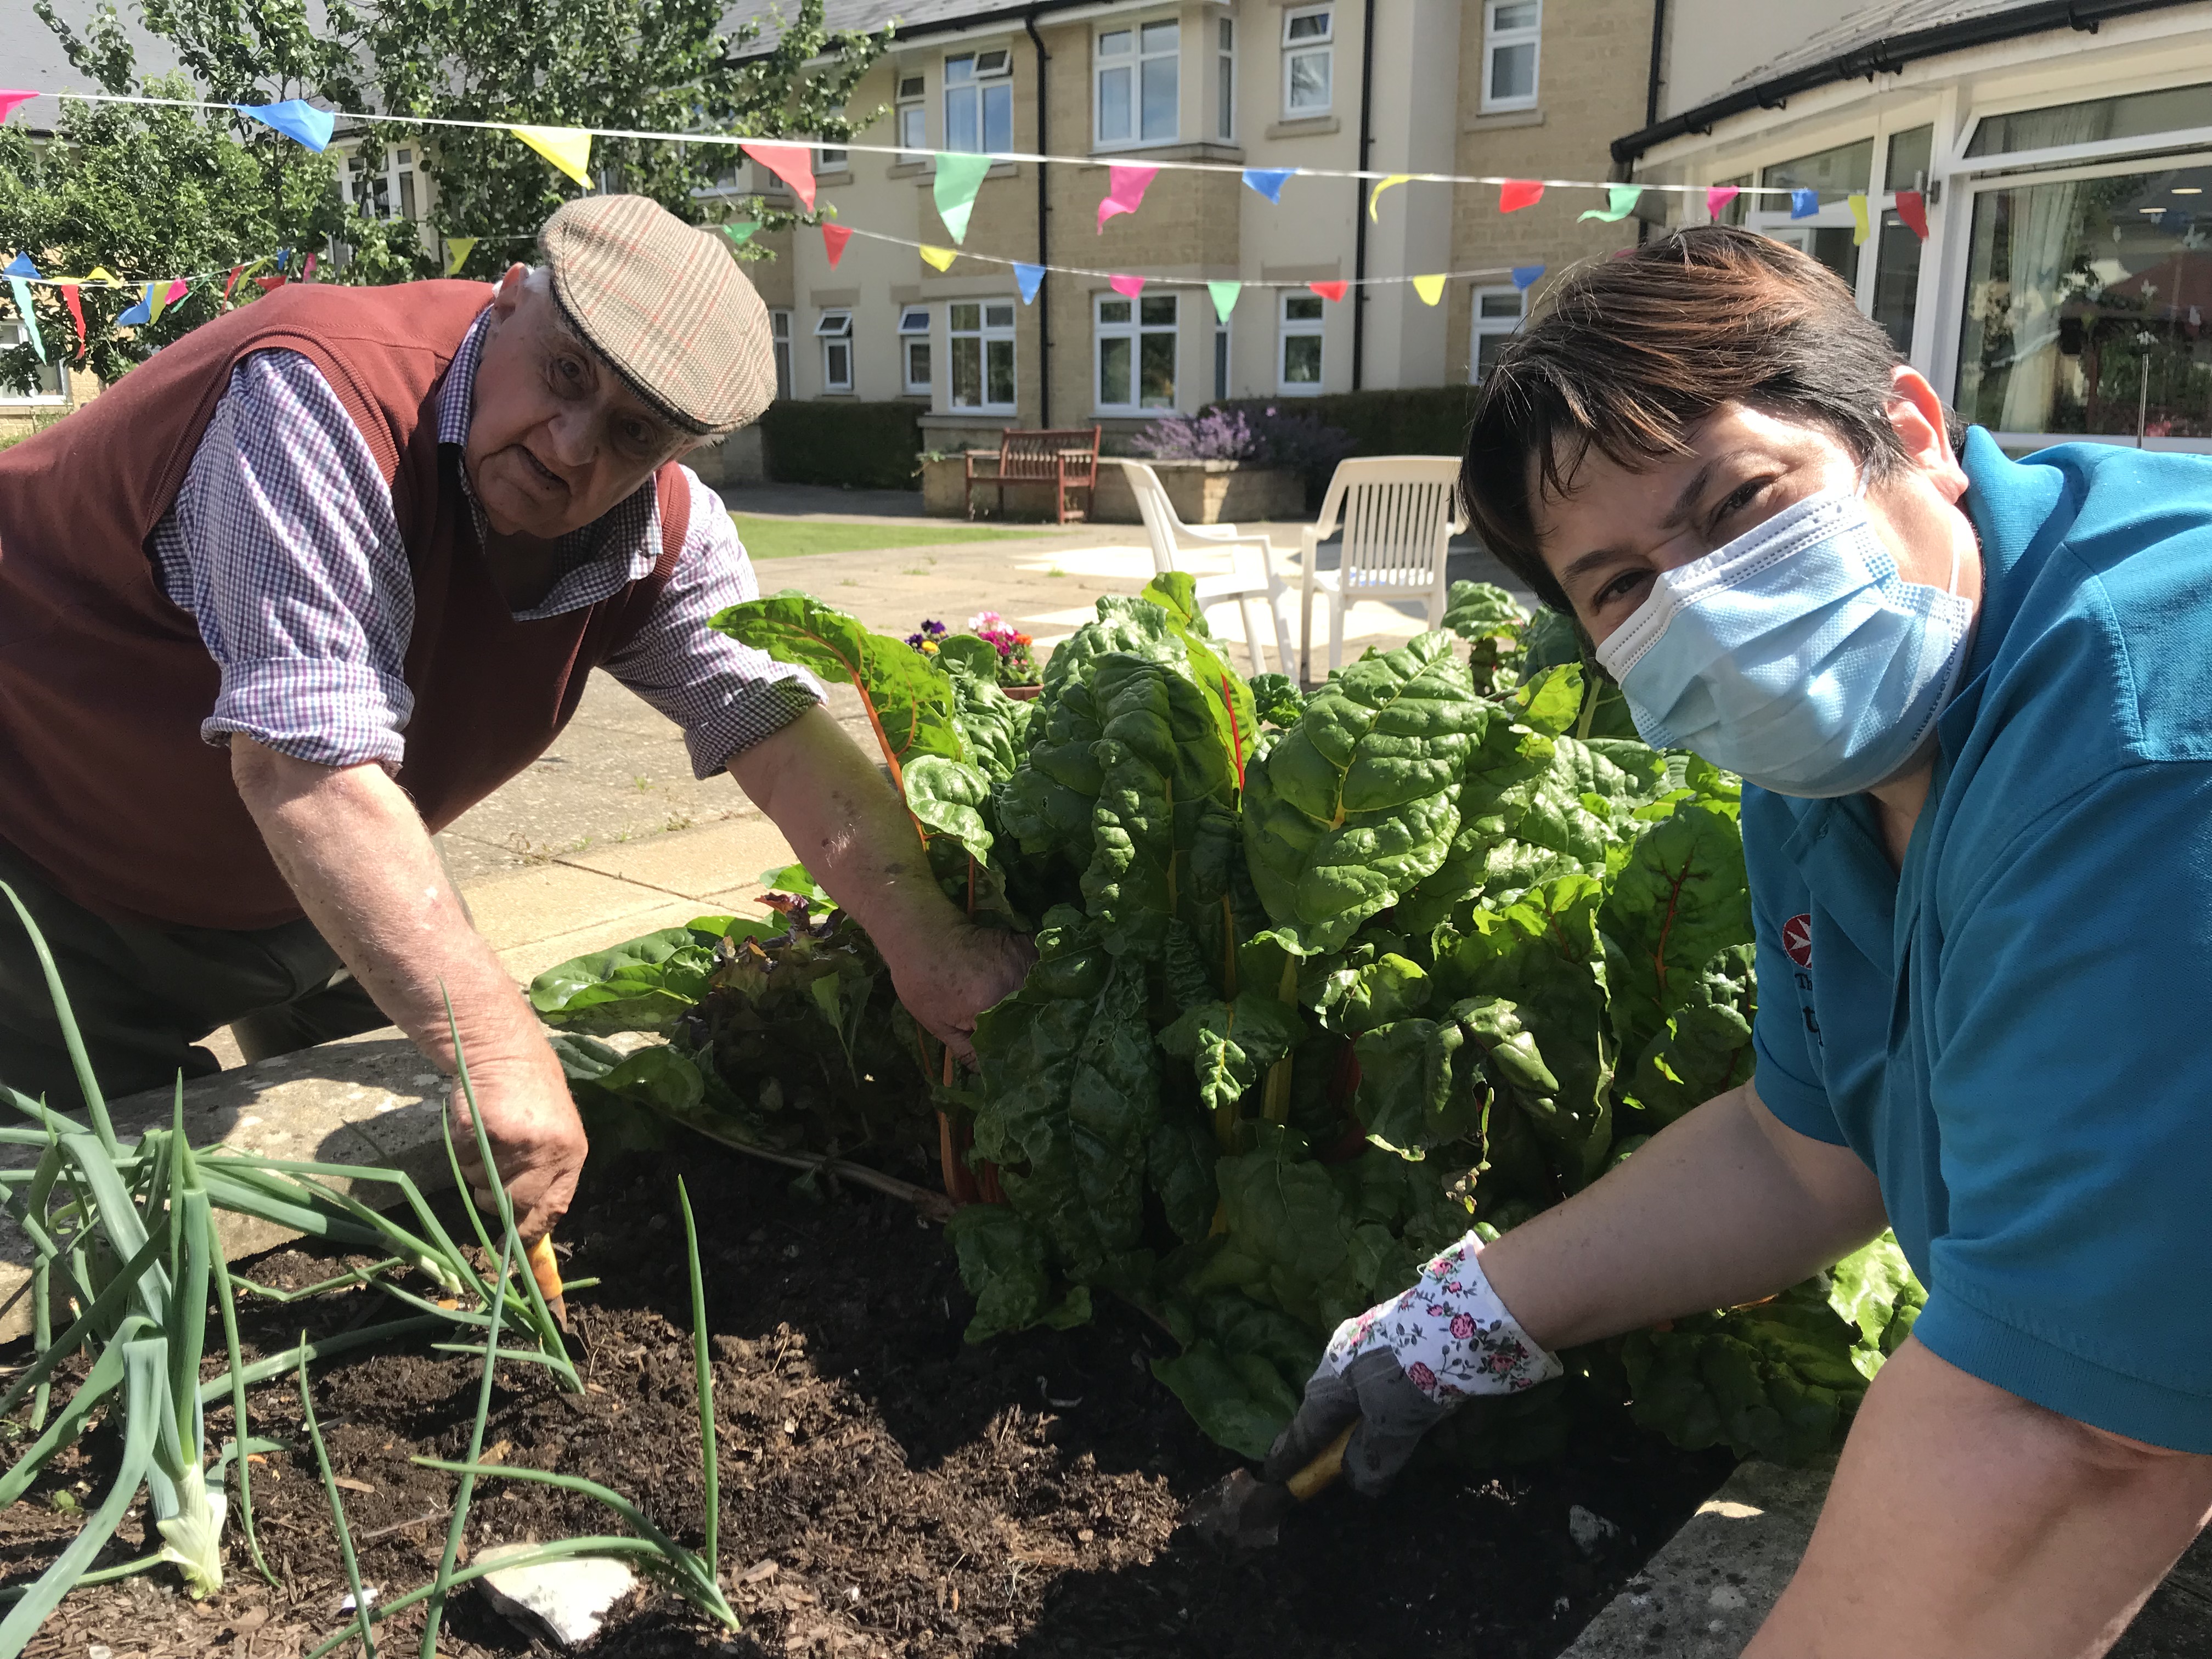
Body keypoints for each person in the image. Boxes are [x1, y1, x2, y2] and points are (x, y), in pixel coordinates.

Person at [1266, 227, 2212, 1655]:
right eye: (1622, 587)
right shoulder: (1840, 760)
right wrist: (1466, 1318)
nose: (1707, 600)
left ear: (1911, 433)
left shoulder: (2142, 741)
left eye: (1739, 505)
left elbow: (2079, 1434)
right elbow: (1806, 1149)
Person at [0, 194, 1030, 1240]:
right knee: (94, 1263)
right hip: (43, 873)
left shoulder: (667, 531)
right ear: (506, 303)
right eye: (567, 374)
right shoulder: (319, 395)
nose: (574, 445)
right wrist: (497, 1054)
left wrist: (931, 945)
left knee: (435, 1203)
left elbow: (775, 730)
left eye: (633, 432)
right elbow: (305, 772)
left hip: (298, 896)